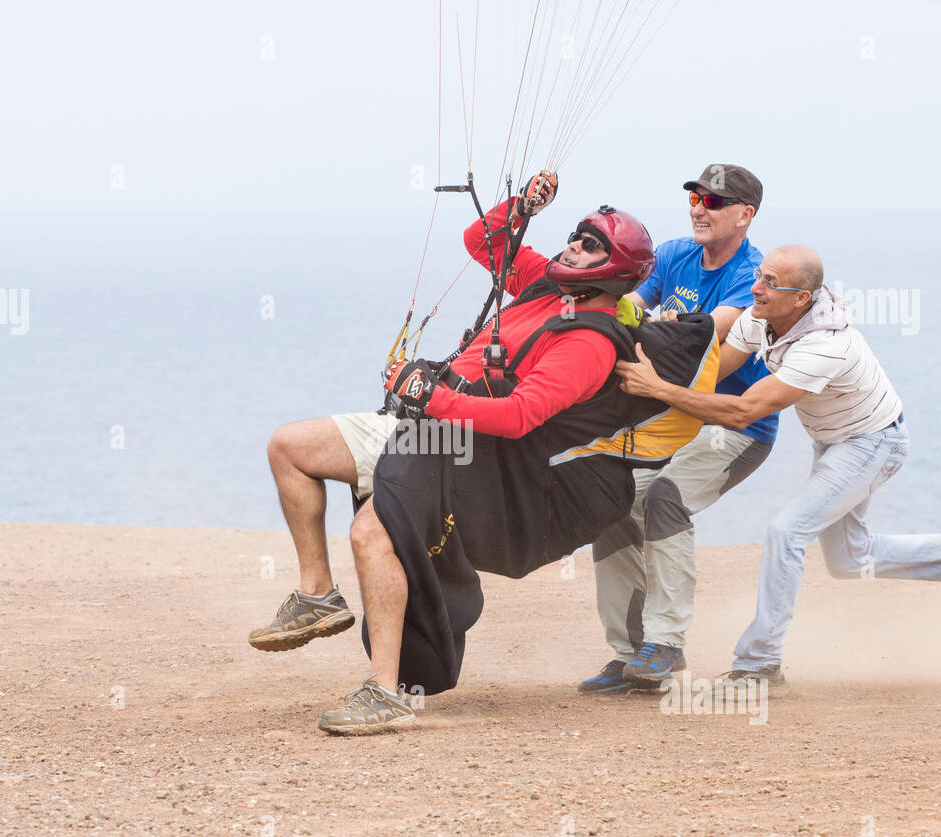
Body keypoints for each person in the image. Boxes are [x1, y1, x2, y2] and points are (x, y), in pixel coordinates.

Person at [248, 171, 718, 734]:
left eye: (591, 244)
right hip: (414, 421)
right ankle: (318, 594)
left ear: (613, 269)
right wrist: (525, 204)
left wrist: (434, 395)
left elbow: (520, 416)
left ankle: (385, 689)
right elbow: (482, 240)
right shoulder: (547, 285)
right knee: (289, 447)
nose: (574, 245)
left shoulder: (589, 341)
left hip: (458, 445)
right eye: (577, 235)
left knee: (372, 534)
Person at [615, 244, 941, 691]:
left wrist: (659, 388)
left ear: (801, 298)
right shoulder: (760, 316)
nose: (755, 288)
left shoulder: (825, 345)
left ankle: (758, 664)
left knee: (786, 531)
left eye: (770, 284)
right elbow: (715, 375)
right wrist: (646, 375)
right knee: (849, 559)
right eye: (759, 276)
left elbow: (742, 412)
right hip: (834, 442)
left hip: (874, 442)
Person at [580, 164, 777, 694]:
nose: (698, 207)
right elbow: (623, 310)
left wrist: (645, 334)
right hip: (668, 418)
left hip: (734, 426)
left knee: (665, 497)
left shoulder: (751, 277)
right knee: (611, 501)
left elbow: (710, 355)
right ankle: (628, 655)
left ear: (745, 214)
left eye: (714, 202)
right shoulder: (671, 255)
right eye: (695, 197)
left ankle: (665, 643)